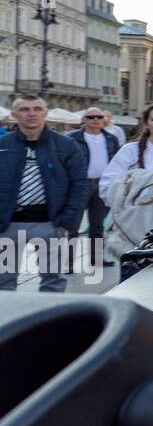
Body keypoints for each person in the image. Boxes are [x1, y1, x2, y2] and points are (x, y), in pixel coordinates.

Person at [0, 95, 87, 292]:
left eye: (37, 109)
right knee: (3, 282)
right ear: (14, 114)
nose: (31, 114)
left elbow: (79, 184)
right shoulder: (3, 145)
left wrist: (66, 223)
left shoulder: (65, 146)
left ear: (45, 113)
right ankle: (6, 321)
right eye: (24, 109)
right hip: (7, 225)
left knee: (53, 280)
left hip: (50, 224)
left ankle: (49, 322)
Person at [68, 107, 121, 267]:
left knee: (97, 225)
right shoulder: (71, 138)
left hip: (102, 185)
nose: (95, 120)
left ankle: (97, 259)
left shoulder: (111, 138)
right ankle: (68, 262)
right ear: (83, 120)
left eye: (99, 116)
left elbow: (117, 161)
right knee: (73, 225)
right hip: (80, 185)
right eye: (91, 117)